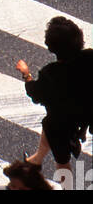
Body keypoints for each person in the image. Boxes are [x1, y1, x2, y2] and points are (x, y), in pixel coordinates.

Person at [18, 16, 93, 183]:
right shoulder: (90, 57)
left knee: (62, 159)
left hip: (63, 121)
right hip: (89, 110)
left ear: (51, 47)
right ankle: (36, 160)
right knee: (49, 126)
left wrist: (26, 74)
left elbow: (36, 95)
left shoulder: (51, 74)